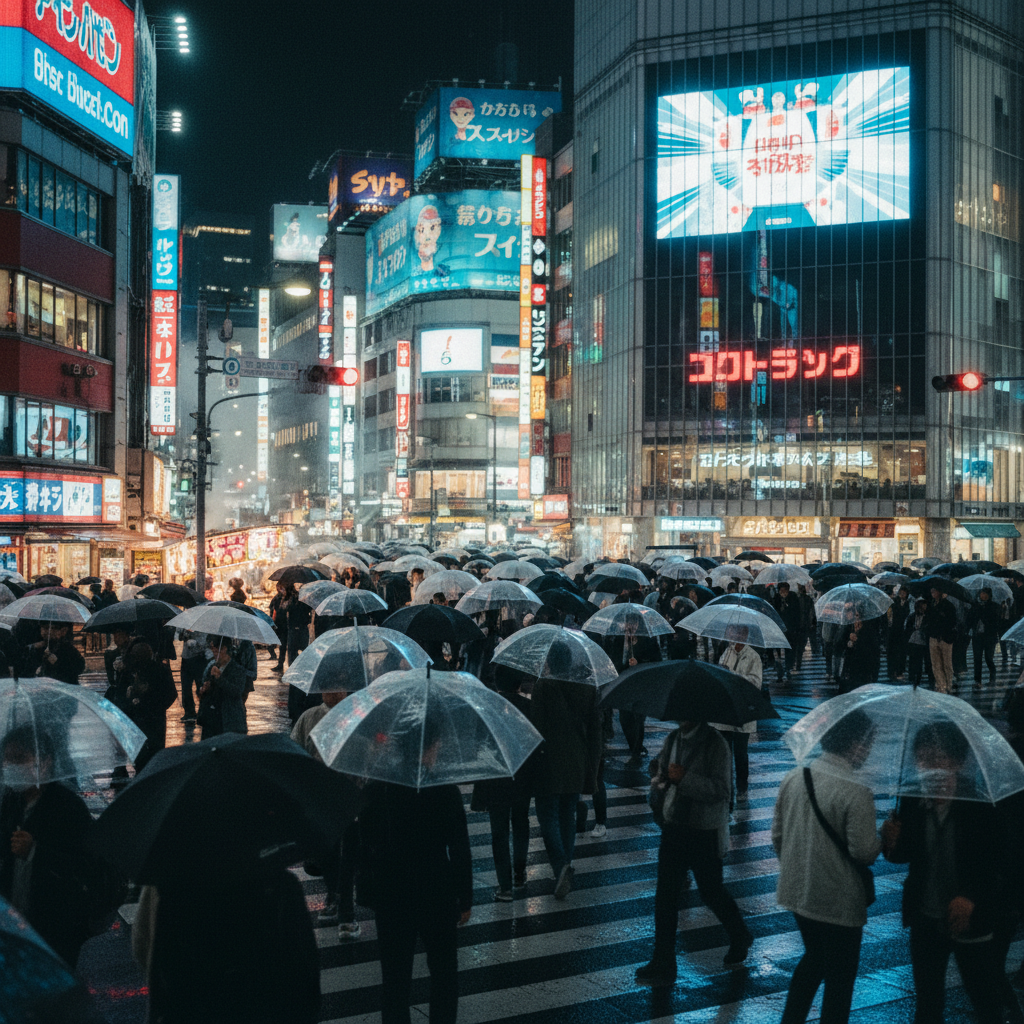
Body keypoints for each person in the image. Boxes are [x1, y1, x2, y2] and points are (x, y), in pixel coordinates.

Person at [881, 721, 1007, 1024]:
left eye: (940, 759)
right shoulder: (912, 800)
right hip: (925, 917)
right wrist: (890, 841)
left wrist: (971, 896)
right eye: (924, 759)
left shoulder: (980, 803)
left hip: (971, 918)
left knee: (984, 999)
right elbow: (903, 856)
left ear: (959, 762)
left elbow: (998, 862)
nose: (931, 767)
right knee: (927, 1003)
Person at [358, 723, 472, 1024]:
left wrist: (367, 890)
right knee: (444, 974)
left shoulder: (380, 787)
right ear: (430, 747)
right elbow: (459, 847)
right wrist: (465, 899)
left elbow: (363, 841)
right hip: (437, 889)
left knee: (395, 980)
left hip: (391, 892)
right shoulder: (444, 789)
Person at [773, 710, 880, 1024]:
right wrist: (885, 839)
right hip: (838, 902)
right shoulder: (856, 791)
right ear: (856, 745)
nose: (869, 750)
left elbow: (778, 837)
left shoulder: (795, 776)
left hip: (797, 893)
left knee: (813, 961)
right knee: (840, 981)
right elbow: (863, 853)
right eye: (869, 742)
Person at [635, 717, 754, 985]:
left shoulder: (716, 744)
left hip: (703, 831)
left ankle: (739, 934)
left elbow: (722, 790)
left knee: (710, 891)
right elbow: (664, 775)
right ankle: (663, 961)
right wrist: (658, 772)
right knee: (665, 896)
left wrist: (685, 779)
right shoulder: (673, 739)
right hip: (674, 826)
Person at [133, 859, 321, 1024]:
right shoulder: (280, 884)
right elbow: (305, 970)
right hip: (265, 1009)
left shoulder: (169, 889)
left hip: (196, 1010)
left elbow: (146, 952)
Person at [0, 727, 95, 967]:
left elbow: (83, 870)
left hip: (53, 934)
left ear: (44, 763)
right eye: (6, 759)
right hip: (12, 928)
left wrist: (35, 852)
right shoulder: (9, 802)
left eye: (19, 759)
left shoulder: (68, 809)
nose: (9, 765)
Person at [529, 640, 603, 899]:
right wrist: (592, 769)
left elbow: (535, 729)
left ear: (549, 661)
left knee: (548, 816)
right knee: (567, 815)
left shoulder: (543, 687)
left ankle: (561, 866)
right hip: (577, 761)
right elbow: (596, 732)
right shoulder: (586, 689)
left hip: (548, 761)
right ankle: (565, 865)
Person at [291, 689, 361, 937]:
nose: (333, 692)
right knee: (327, 856)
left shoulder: (358, 717)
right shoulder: (309, 717)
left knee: (348, 858)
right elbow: (295, 750)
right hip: (321, 801)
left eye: (339, 687)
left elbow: (368, 755)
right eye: (329, 687)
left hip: (351, 798)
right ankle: (334, 895)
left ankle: (347, 914)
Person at [473, 667, 535, 900]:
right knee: (520, 822)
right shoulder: (528, 707)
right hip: (522, 775)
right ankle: (519, 872)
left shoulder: (489, 708)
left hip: (496, 776)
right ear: (519, 683)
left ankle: (505, 886)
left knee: (499, 832)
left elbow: (480, 743)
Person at [712, 627, 763, 801]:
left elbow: (756, 682)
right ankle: (726, 785)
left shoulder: (753, 656)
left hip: (743, 709)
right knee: (724, 751)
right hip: (726, 709)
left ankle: (742, 785)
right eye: (734, 633)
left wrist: (734, 676)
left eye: (741, 634)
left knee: (740, 752)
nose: (736, 637)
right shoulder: (727, 652)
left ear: (746, 635)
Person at [122, 642, 178, 772]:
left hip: (143, 717)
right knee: (155, 753)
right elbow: (172, 694)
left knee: (142, 756)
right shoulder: (160, 669)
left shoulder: (136, 671)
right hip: (154, 717)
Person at [198, 635, 248, 739]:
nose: (214, 655)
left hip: (229, 721)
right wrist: (203, 690)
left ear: (224, 649)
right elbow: (205, 692)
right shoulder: (212, 666)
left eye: (216, 651)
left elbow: (237, 692)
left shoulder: (238, 670)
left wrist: (220, 678)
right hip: (211, 720)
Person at [836, 611, 880, 695]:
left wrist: (858, 640)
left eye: (857, 616)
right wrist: (849, 641)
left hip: (863, 667)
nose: (856, 620)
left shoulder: (869, 630)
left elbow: (873, 650)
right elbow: (839, 645)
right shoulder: (848, 628)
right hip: (849, 667)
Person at [924, 586, 957, 694]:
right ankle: (940, 685)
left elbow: (952, 621)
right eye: (931, 590)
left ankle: (948, 684)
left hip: (945, 638)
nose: (932, 592)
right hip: (933, 637)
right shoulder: (930, 604)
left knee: (947, 663)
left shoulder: (948, 605)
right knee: (936, 663)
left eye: (935, 590)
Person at [970, 587, 1001, 690]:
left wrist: (983, 613)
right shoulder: (975, 606)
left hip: (989, 636)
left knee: (988, 658)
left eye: (985, 594)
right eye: (982, 593)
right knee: (977, 659)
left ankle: (992, 677)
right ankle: (977, 680)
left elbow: (995, 622)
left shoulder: (994, 606)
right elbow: (970, 619)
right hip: (977, 636)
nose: (983, 596)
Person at [178, 628, 208, 725]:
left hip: (198, 658)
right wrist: (184, 634)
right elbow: (180, 638)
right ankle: (189, 711)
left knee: (200, 686)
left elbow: (204, 643)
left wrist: (194, 643)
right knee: (185, 686)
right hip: (186, 658)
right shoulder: (187, 624)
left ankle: (202, 711)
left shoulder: (203, 626)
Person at [774, 582, 803, 680]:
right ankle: (779, 670)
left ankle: (788, 668)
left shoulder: (793, 597)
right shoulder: (776, 599)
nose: (783, 593)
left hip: (791, 629)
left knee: (790, 650)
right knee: (777, 652)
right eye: (781, 591)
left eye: (785, 591)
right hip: (779, 629)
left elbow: (797, 614)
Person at [887, 586, 912, 681]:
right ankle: (892, 672)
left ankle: (899, 671)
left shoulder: (908, 603)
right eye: (900, 592)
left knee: (902, 653)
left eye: (904, 593)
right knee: (893, 653)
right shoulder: (894, 603)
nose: (902, 594)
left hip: (903, 631)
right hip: (894, 631)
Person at [905, 599, 932, 687]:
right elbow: (907, 628)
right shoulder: (912, 616)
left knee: (927, 660)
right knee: (915, 661)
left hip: (924, 640)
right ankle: (914, 677)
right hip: (914, 640)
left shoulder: (928, 616)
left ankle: (930, 678)